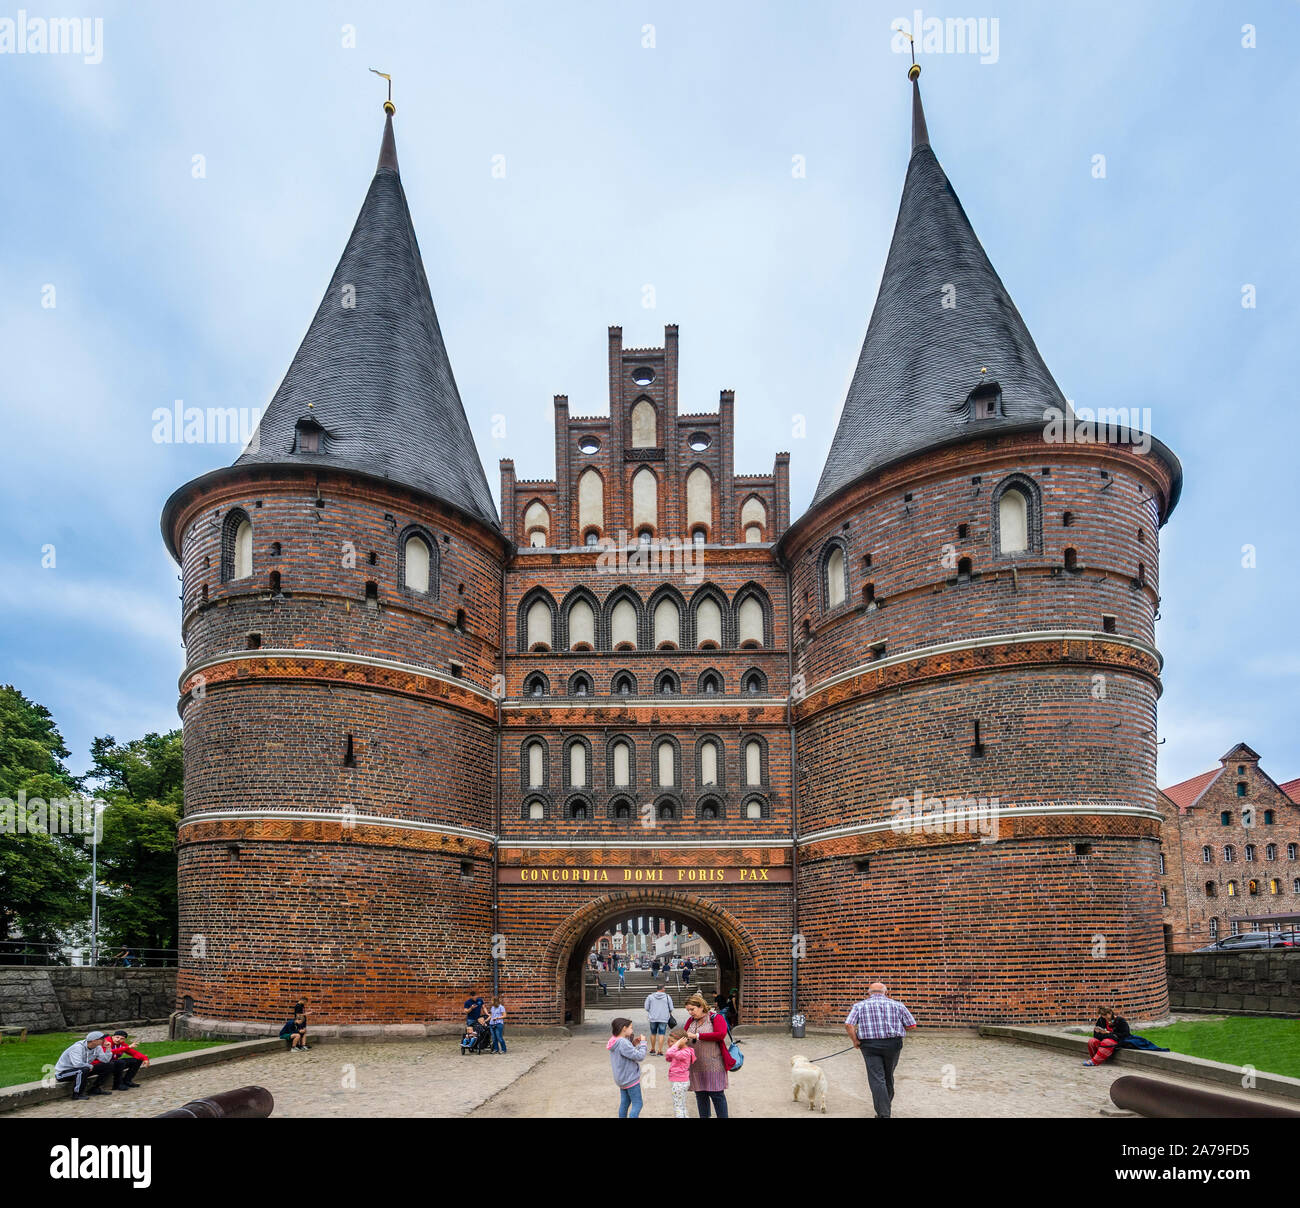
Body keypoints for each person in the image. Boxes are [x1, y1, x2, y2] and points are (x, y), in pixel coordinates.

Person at [844, 981, 917, 1119]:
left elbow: (849, 1024)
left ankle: (883, 1112)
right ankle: (885, 1109)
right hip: (893, 1044)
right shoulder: (898, 1005)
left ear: (868, 994)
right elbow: (912, 1025)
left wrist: (855, 1041)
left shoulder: (859, 1006)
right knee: (888, 1075)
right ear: (887, 993)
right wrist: (897, 1028)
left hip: (869, 1046)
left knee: (877, 1078)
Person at [684, 992, 732, 1118]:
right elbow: (683, 1034)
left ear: (701, 1006)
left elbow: (720, 1034)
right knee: (700, 1095)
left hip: (713, 1064)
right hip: (696, 1065)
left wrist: (697, 1036)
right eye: (688, 1010)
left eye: (692, 1009)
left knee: (717, 1095)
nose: (690, 1012)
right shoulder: (690, 1021)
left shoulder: (715, 1018)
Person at [54, 1032, 117, 1100]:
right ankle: (77, 1094)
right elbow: (77, 1064)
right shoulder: (77, 1047)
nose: (105, 1040)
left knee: (109, 1065)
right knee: (83, 1070)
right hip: (63, 1074)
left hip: (83, 1070)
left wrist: (108, 1049)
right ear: (94, 1041)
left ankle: (95, 1089)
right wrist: (90, 1066)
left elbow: (105, 1060)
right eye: (102, 1039)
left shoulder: (97, 1047)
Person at [606, 1017, 647, 1118]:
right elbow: (640, 1056)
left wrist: (633, 1044)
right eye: (631, 1027)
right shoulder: (623, 1042)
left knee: (625, 1103)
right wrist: (643, 1044)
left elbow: (625, 1052)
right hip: (630, 1078)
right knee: (638, 1104)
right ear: (624, 1028)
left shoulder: (615, 1040)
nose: (632, 1030)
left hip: (622, 1078)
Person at [664, 1027, 697, 1118]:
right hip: (679, 1081)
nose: (671, 1044)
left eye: (672, 1041)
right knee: (681, 1105)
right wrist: (673, 1046)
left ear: (681, 1042)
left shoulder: (684, 1053)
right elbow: (668, 1058)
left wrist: (676, 1045)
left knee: (678, 1107)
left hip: (679, 1082)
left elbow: (669, 1053)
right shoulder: (680, 1051)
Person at [644, 984, 674, 1054]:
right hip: (663, 1018)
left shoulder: (650, 997)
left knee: (653, 1033)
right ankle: (660, 1050)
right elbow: (671, 1008)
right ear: (663, 989)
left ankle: (652, 1049)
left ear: (657, 989)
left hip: (653, 1018)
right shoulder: (667, 997)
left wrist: (653, 1010)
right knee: (661, 1034)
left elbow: (646, 1008)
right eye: (664, 988)